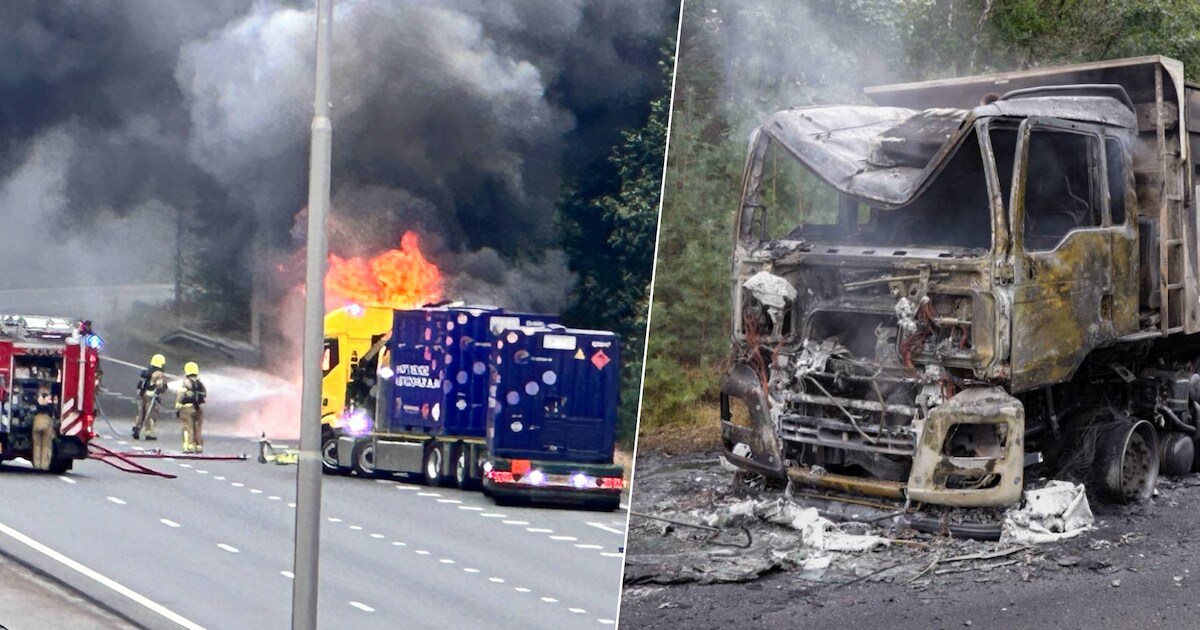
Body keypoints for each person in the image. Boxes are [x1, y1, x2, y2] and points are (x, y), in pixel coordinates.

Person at [134, 354, 167, 440]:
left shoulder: (147, 372)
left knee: (141, 413)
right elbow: (160, 385)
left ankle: (137, 428)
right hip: (150, 394)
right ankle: (149, 433)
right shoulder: (159, 374)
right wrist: (161, 389)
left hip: (140, 394)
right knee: (151, 414)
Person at [176, 361, 207, 454]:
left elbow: (181, 394)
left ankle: (189, 445)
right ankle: (198, 446)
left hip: (187, 408)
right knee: (198, 427)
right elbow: (204, 394)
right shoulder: (200, 384)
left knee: (187, 427)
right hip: (199, 408)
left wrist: (178, 403)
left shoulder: (185, 382)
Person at [31, 387, 57, 470]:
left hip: (37, 422)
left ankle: (37, 464)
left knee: (37, 445)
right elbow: (54, 410)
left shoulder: (37, 400)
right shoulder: (50, 401)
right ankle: (44, 465)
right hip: (46, 422)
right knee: (46, 445)